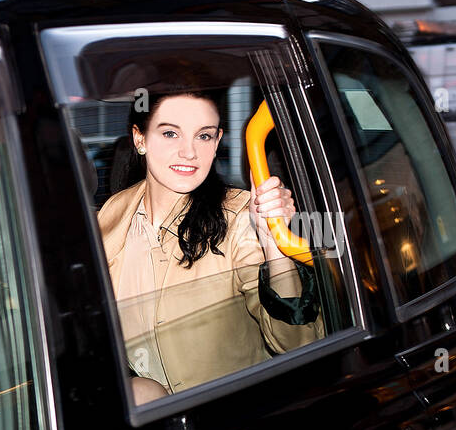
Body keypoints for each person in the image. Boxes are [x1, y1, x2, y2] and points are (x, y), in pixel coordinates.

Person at [98, 89, 323, 404]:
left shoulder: (240, 217)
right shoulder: (114, 211)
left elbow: (300, 346)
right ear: (140, 139)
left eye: (203, 136)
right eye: (170, 133)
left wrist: (273, 245)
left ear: (217, 142)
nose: (189, 152)